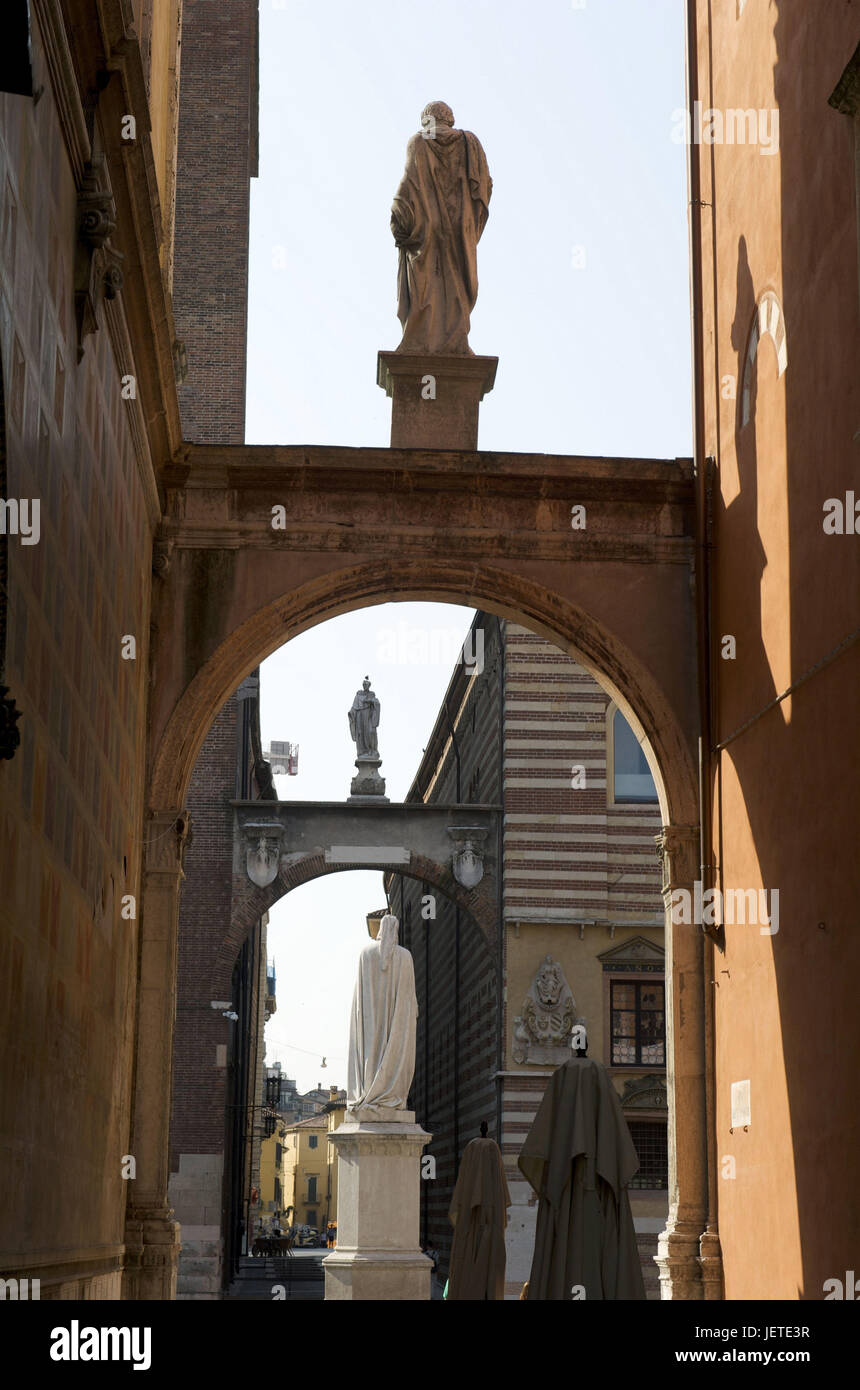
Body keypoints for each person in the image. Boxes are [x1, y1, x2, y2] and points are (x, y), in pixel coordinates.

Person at [391, 101, 492, 355]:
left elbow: (405, 194)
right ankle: (456, 341)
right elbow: (485, 187)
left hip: (427, 231)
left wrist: (398, 222)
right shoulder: (471, 143)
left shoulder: (419, 142)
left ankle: (420, 341)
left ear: (426, 121)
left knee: (424, 288)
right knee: (457, 283)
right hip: (461, 228)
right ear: (451, 119)